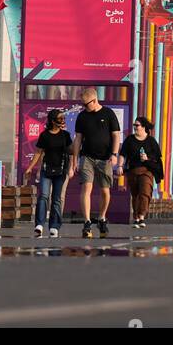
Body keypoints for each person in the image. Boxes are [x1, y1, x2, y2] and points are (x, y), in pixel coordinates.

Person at [71, 87, 122, 238]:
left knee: (105, 191)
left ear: (94, 101)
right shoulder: (82, 117)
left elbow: (116, 135)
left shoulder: (108, 113)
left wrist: (114, 154)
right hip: (87, 157)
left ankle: (101, 217)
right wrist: (74, 160)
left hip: (105, 158)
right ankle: (87, 222)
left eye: (86, 104)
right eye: (83, 105)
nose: (84, 107)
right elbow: (78, 139)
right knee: (86, 188)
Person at [24, 109, 72, 238]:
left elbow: (71, 152)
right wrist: (30, 168)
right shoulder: (45, 135)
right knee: (44, 196)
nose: (62, 121)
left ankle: (54, 226)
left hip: (61, 171)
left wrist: (72, 167)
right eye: (60, 118)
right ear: (52, 121)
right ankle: (39, 224)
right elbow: (38, 153)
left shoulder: (66, 135)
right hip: (47, 170)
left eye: (63, 118)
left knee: (56, 199)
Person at [121, 116, 163, 229]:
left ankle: (142, 216)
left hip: (147, 171)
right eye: (134, 125)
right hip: (133, 171)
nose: (135, 127)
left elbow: (157, 157)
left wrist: (147, 158)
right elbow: (122, 154)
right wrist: (120, 165)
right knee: (135, 195)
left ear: (143, 127)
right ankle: (136, 217)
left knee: (145, 193)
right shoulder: (129, 140)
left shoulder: (151, 141)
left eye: (137, 125)